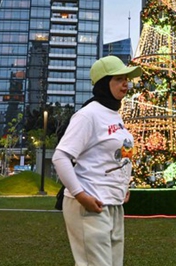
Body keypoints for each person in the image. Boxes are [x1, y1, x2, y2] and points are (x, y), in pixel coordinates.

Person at [52, 56, 143, 266]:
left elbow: (118, 154)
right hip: (90, 203)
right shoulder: (88, 115)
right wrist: (80, 195)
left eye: (126, 79)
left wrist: (123, 183)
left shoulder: (115, 115)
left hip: (114, 202)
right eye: (119, 79)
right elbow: (61, 157)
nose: (125, 84)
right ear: (104, 83)